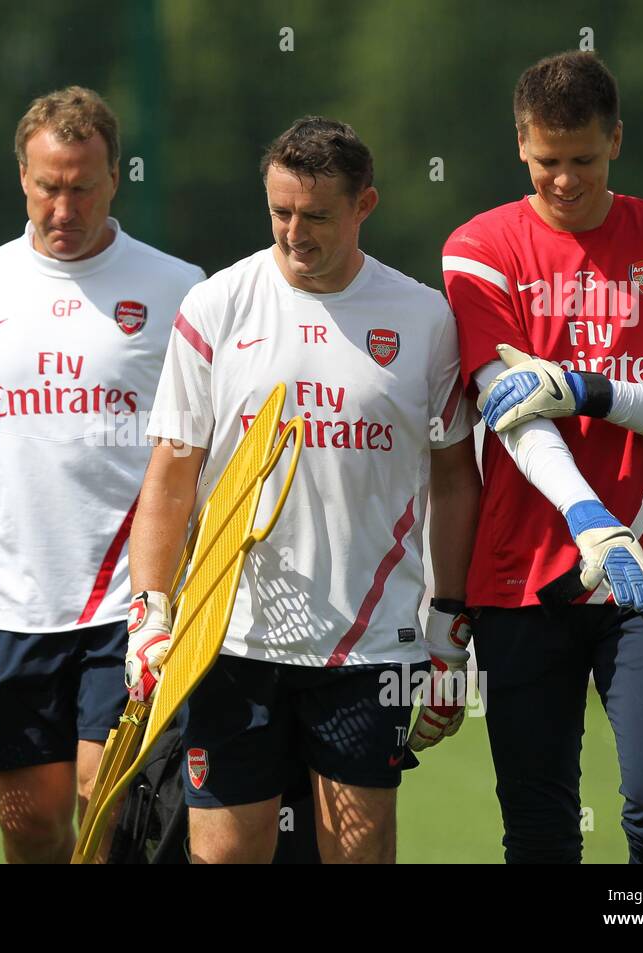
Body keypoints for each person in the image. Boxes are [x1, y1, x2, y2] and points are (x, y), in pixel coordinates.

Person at [127, 116, 481, 864]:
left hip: (369, 643)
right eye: (280, 212)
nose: (295, 231)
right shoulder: (217, 306)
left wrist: (448, 627)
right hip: (228, 636)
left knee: (358, 854)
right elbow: (171, 470)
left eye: (317, 215)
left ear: (365, 205)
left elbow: (454, 476)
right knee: (224, 854)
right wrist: (149, 610)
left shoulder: (423, 318)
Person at [441, 51, 643, 863]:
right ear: (520, 147)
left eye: (584, 159)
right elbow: (513, 417)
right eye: (548, 162)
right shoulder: (477, 248)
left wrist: (591, 390)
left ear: (616, 140)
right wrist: (590, 521)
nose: (566, 180)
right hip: (519, 577)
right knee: (539, 831)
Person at [0, 86, 204, 863]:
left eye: (81, 186)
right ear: (22, 179)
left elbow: (209, 452)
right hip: (14, 609)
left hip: (131, 607)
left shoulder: (178, 288)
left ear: (113, 181)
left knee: (103, 804)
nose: (63, 206)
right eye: (47, 186)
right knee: (29, 826)